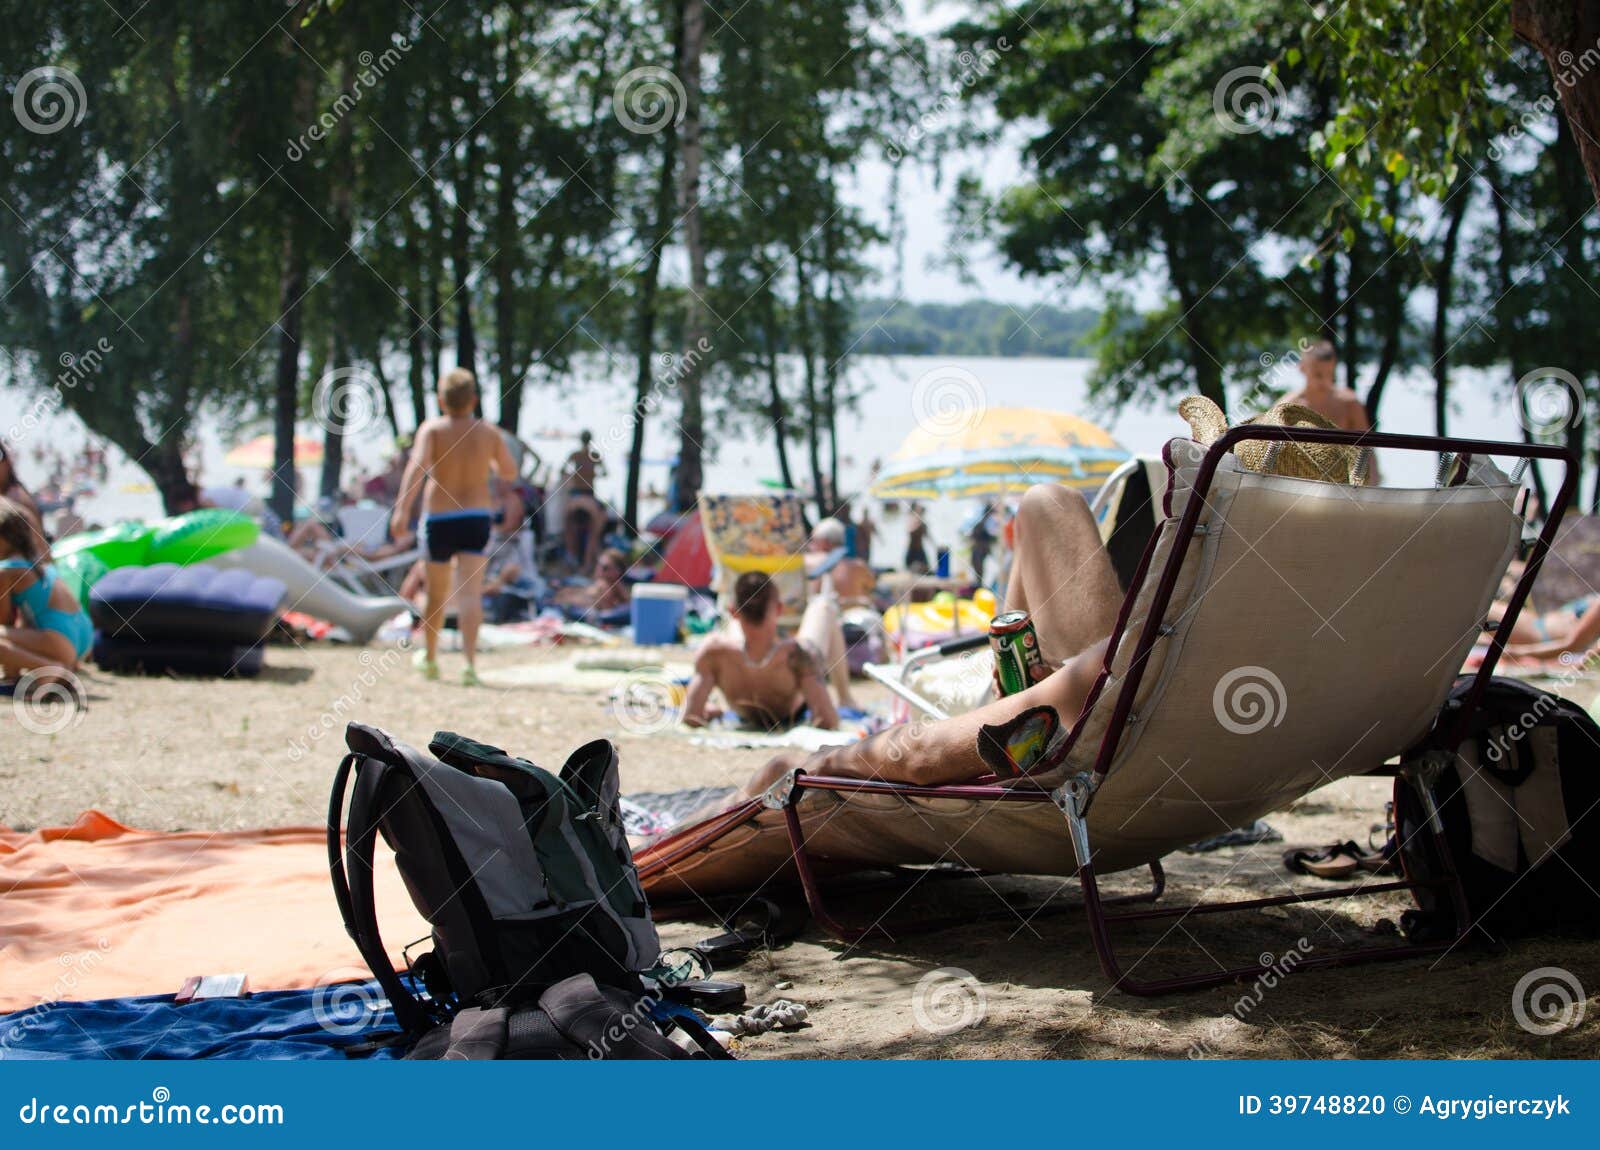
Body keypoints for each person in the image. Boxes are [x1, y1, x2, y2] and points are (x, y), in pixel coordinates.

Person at [727, 484, 1119, 799]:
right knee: (1048, 501)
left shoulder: (722, 650)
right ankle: (1013, 683)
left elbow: (920, 758)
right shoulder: (1169, 643)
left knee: (783, 765)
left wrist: (829, 763)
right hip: (1109, 698)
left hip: (1084, 728)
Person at [391, 368, 517, 685]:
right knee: (471, 594)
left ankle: (431, 659)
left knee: (436, 594)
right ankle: (470, 665)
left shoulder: (432, 430)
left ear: (441, 400)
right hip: (476, 516)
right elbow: (509, 471)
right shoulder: (488, 432)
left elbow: (416, 469)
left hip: (440, 517)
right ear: (473, 399)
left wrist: (402, 511)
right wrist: (486, 462)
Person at [682, 572, 858, 731]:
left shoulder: (713, 651)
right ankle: (845, 698)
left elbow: (691, 717)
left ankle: (744, 621)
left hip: (742, 708)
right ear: (779, 609)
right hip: (789, 713)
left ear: (733, 612)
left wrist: (708, 712)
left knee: (734, 633)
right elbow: (827, 721)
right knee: (823, 607)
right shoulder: (798, 654)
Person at [0, 496, 93, 683]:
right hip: (83, 638)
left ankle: (51, 669)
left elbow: (4, 619)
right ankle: (45, 670)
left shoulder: (7, 571)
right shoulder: (40, 565)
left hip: (60, 639)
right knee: (22, 625)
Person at [1284, 339, 1379, 481]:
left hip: (1342, 488)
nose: (1324, 381)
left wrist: (1372, 488)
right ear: (1302, 368)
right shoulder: (1288, 406)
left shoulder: (1349, 403)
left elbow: (1366, 451)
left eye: (1329, 374)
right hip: (1298, 485)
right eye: (1318, 375)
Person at [562, 430, 607, 574]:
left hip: (576, 494)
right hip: (589, 493)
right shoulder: (595, 456)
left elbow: (562, 470)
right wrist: (594, 474)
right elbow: (605, 473)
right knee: (594, 531)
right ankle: (587, 564)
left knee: (569, 529)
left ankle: (571, 559)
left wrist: (574, 476)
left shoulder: (575, 454)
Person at [554, 547, 632, 621]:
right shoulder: (596, 583)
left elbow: (605, 609)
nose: (599, 570)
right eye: (598, 565)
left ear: (617, 571)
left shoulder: (609, 586)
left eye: (605, 568)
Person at [969, 501, 996, 585]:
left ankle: (979, 589)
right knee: (979, 575)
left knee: (980, 575)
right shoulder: (984, 523)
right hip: (979, 552)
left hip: (979, 552)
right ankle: (978, 590)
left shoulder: (983, 523)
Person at [904, 502, 931, 573]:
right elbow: (910, 531)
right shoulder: (912, 520)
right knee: (908, 567)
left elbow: (927, 535)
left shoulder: (922, 523)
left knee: (925, 567)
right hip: (912, 548)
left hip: (919, 548)